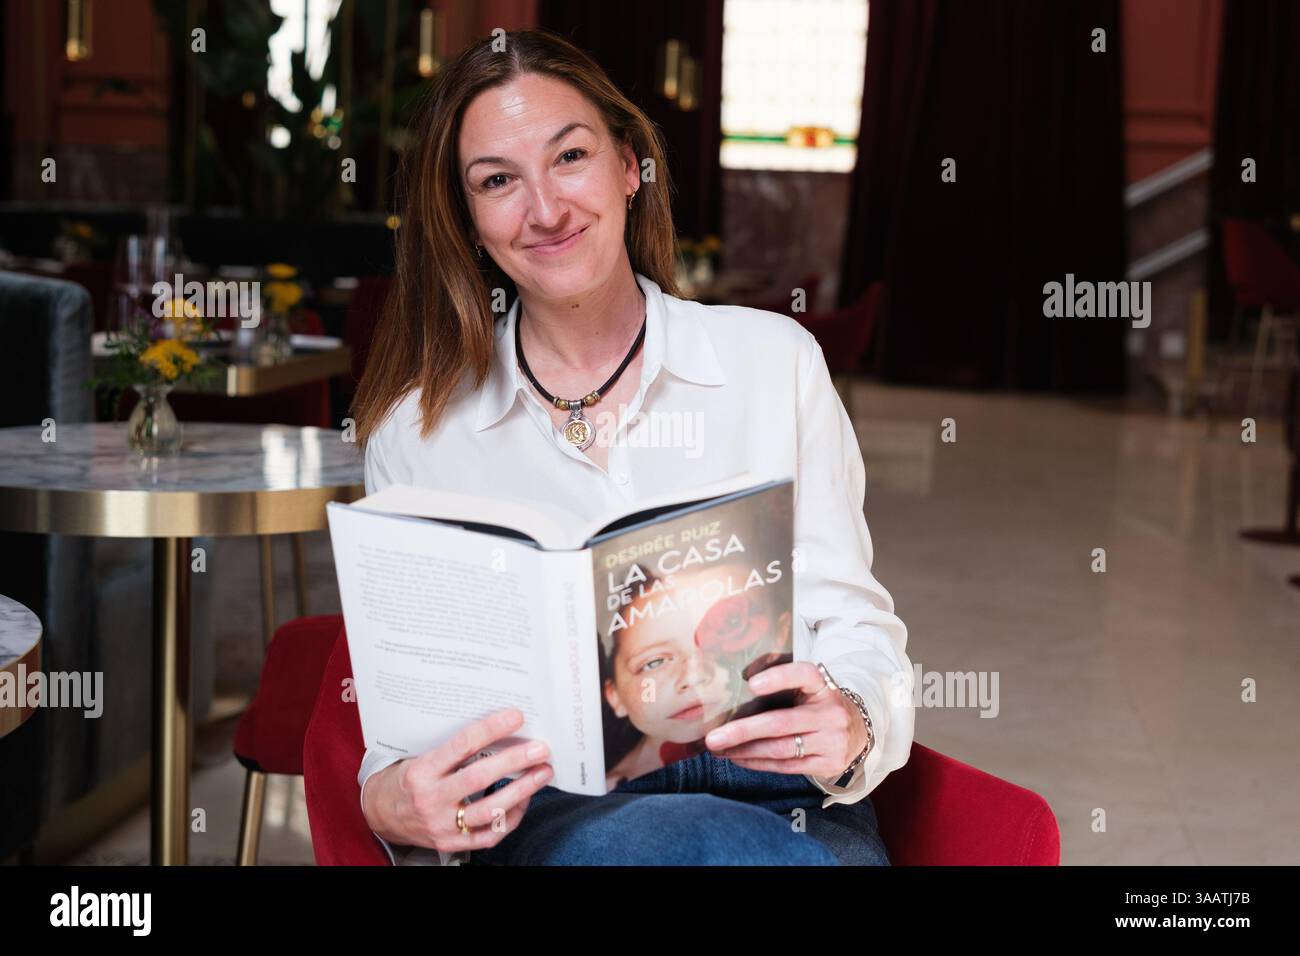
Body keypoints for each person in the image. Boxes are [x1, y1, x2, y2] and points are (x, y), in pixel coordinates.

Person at [348, 28, 914, 866]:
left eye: (568, 157)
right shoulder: (417, 432)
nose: (544, 209)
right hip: (557, 815)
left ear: (628, 167)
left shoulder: (773, 362)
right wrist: (389, 798)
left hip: (783, 796)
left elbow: (856, 625)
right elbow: (407, 724)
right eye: (498, 181)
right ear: (466, 220)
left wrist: (857, 721)